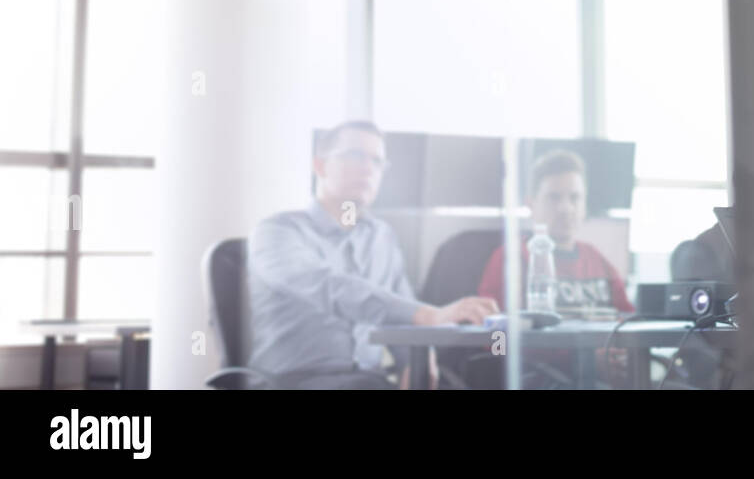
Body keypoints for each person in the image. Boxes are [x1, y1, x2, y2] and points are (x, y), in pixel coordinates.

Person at [247, 120, 498, 389]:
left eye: (377, 161)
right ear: (320, 166)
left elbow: (401, 313)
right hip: (293, 382)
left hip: (367, 382)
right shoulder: (277, 232)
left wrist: (413, 362)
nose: (368, 168)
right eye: (355, 155)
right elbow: (328, 287)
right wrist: (427, 314)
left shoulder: (382, 238)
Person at [478, 149, 635, 316]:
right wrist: (501, 343)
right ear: (531, 204)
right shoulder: (510, 260)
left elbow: (630, 327)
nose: (566, 208)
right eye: (554, 197)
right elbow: (493, 333)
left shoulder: (598, 262)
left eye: (575, 198)